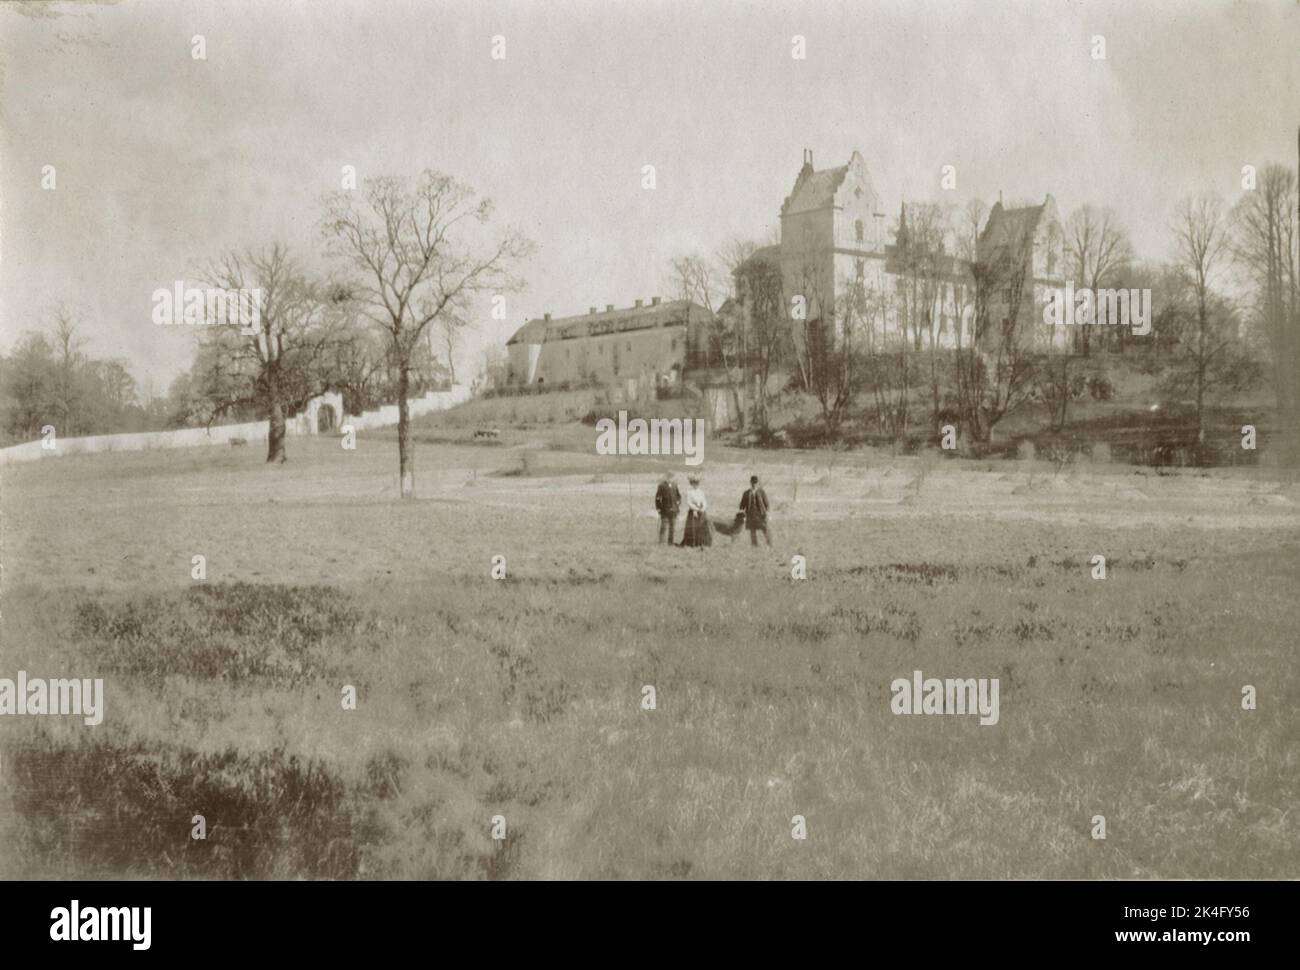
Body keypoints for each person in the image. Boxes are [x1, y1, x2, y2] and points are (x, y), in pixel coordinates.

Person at [678, 475, 713, 548]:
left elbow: (704, 501)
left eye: (697, 483)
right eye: (694, 483)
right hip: (693, 511)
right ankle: (692, 543)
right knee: (693, 527)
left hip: (702, 511)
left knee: (703, 526)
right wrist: (695, 509)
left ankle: (702, 543)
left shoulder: (701, 492)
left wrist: (703, 508)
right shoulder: (689, 492)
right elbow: (689, 502)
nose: (696, 485)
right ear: (691, 484)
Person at [739, 474, 771, 547]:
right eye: (753, 482)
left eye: (756, 482)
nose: (754, 484)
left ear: (757, 483)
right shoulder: (746, 493)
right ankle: (754, 545)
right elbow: (742, 505)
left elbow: (767, 504)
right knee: (752, 530)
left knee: (765, 528)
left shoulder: (761, 492)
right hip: (750, 514)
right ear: (750, 482)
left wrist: (767, 514)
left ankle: (769, 544)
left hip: (761, 514)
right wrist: (742, 513)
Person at [654, 472, 681, 545]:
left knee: (672, 527)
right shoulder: (661, 486)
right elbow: (657, 498)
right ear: (665, 477)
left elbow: (679, 496)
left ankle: (670, 542)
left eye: (671, 477)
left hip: (674, 510)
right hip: (664, 510)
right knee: (664, 526)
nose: (670, 479)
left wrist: (678, 503)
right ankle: (661, 542)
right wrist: (658, 508)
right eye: (668, 477)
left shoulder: (675, 485)